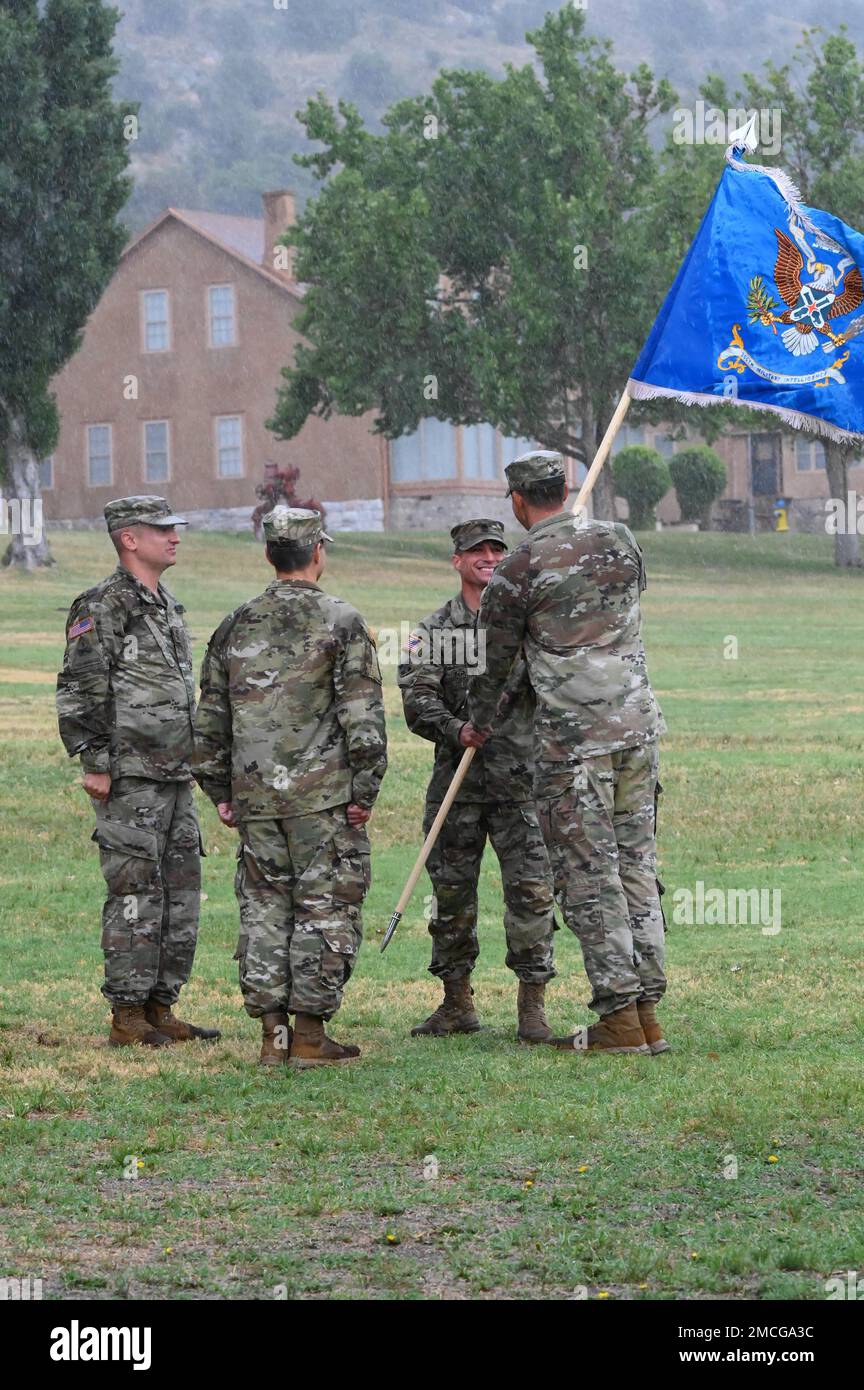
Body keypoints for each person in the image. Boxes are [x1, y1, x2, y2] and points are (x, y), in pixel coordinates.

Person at [467, 454, 669, 1055]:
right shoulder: (622, 540)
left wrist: (479, 724)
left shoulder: (519, 567)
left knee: (589, 875)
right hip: (637, 731)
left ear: (518, 502)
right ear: (566, 488)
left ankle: (619, 1016)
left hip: (573, 744)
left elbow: (495, 662)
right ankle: (647, 1007)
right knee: (636, 866)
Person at [193, 507, 387, 1068]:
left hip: (256, 799)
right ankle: (308, 1034)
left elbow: (209, 719)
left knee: (264, 909)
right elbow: (363, 719)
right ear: (318, 552)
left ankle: (271, 1038)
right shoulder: (343, 621)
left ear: (270, 555)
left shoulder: (235, 623)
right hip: (322, 799)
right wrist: (364, 791)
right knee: (325, 905)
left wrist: (219, 789)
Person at [56, 495, 219, 1049]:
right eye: (162, 530)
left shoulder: (167, 605)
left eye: (175, 528)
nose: (175, 537)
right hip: (129, 775)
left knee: (180, 890)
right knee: (134, 889)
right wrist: (96, 762)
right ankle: (127, 1014)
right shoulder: (101, 604)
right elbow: (81, 687)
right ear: (129, 538)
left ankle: (161, 1005)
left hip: (175, 773)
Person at [397, 518, 557, 1043]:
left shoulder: (527, 626)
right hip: (456, 791)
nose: (487, 557)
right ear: (458, 561)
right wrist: (456, 729)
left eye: (496, 550)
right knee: (451, 899)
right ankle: (456, 1002)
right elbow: (417, 699)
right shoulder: (437, 631)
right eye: (476, 551)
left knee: (531, 895)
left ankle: (532, 1007)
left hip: (521, 787)